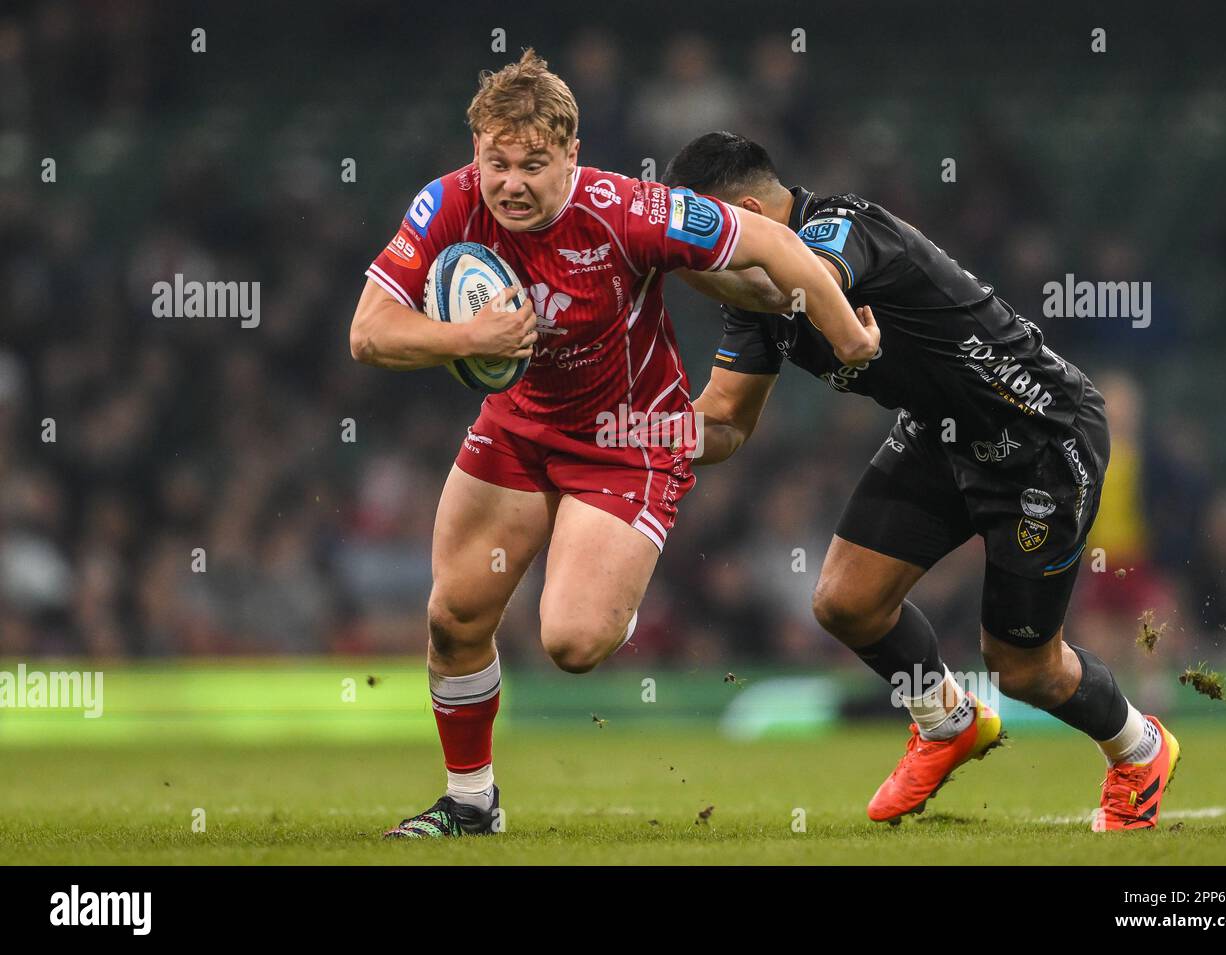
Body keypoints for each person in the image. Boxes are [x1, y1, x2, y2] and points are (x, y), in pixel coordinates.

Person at [349, 58, 878, 838]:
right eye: (497, 162)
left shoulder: (628, 209)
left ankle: (613, 586)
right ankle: (470, 804)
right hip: (520, 427)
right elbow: (368, 333)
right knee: (454, 619)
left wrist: (849, 336)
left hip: (627, 441)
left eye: (533, 164)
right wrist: (468, 337)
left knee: (573, 640)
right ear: (476, 151)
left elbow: (772, 244)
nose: (512, 183)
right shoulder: (447, 203)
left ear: (572, 153)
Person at [666, 132, 1178, 831]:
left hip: (1040, 437)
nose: (687, 268)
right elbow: (723, 420)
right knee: (846, 602)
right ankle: (946, 721)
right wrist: (630, 442)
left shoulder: (841, 230)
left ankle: (1139, 748)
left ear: (748, 212)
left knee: (1021, 666)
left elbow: (811, 283)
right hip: (942, 435)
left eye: (697, 244)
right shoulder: (752, 295)